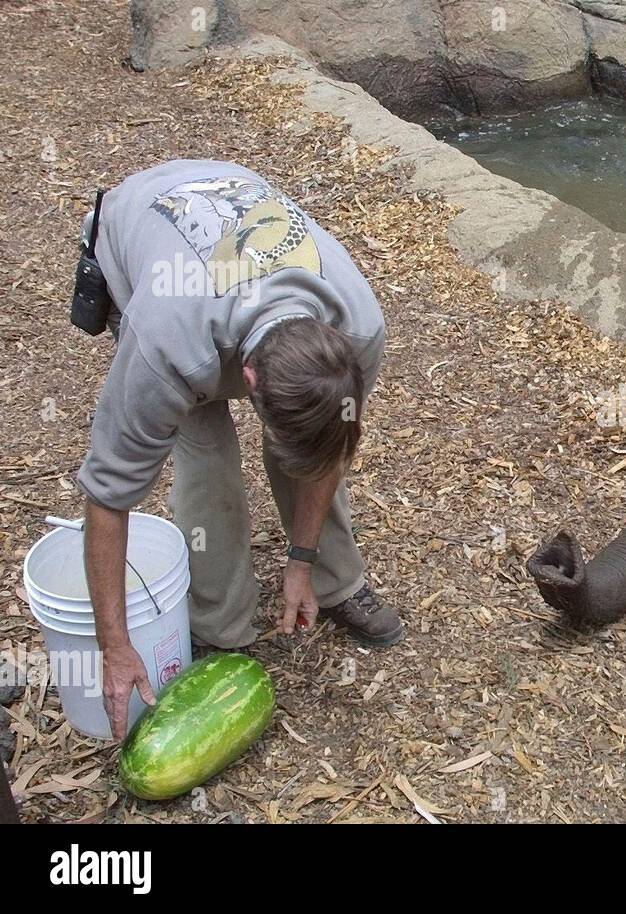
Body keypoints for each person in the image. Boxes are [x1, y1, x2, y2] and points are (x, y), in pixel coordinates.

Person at [74, 160, 404, 740]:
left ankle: (334, 581)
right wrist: (115, 646)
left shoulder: (357, 328)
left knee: (311, 439)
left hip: (225, 189)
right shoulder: (169, 346)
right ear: (246, 379)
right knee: (206, 455)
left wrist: (297, 563)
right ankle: (221, 621)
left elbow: (325, 451)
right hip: (143, 227)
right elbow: (107, 495)